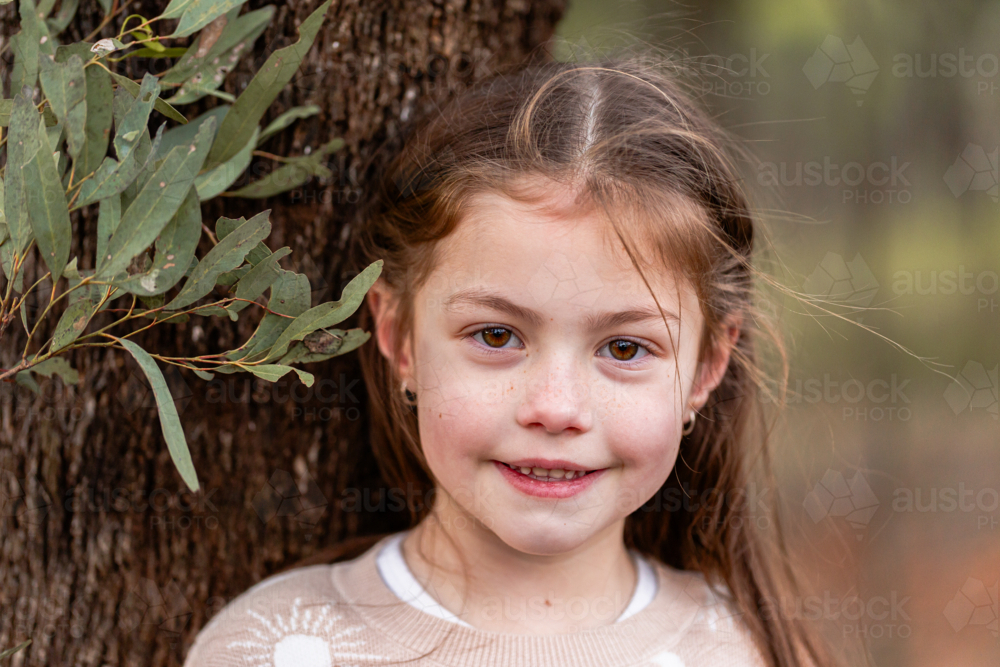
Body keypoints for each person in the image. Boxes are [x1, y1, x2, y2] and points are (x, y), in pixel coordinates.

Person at [184, 54, 833, 667]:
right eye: (496, 336)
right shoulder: (271, 647)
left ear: (706, 367)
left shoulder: (744, 653)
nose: (555, 408)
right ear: (399, 337)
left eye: (625, 347)